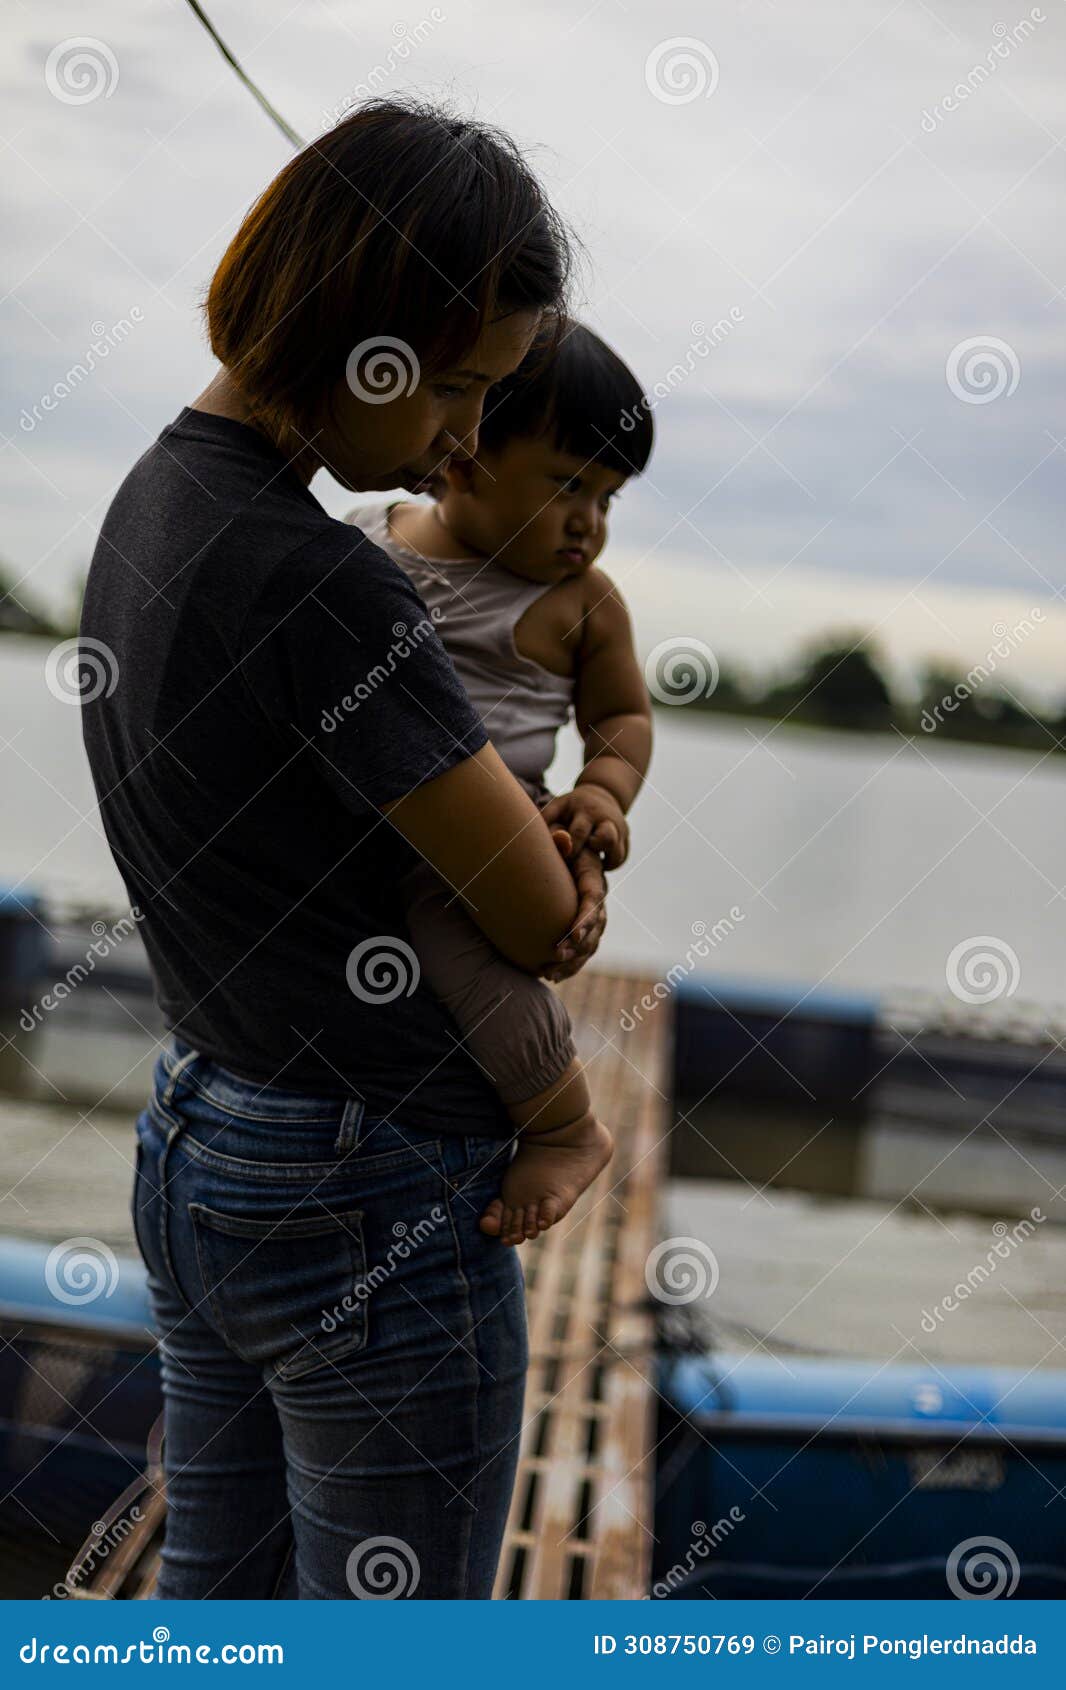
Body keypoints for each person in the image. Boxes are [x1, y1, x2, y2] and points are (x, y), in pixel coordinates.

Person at [78, 99, 608, 1601]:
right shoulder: (333, 589)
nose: (461, 435)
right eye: (455, 386)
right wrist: (569, 846)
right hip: (363, 1184)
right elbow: (523, 910)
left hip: (203, 1133)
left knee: (219, 1609)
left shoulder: (151, 500)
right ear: (356, 331)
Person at [345, 323, 654, 1247]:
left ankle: (563, 1125)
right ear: (464, 455)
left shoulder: (583, 603)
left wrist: (601, 790)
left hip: (483, 833)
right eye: (567, 484)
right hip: (356, 812)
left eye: (607, 496)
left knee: (464, 963)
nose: (589, 522)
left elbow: (624, 720)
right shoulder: (369, 542)